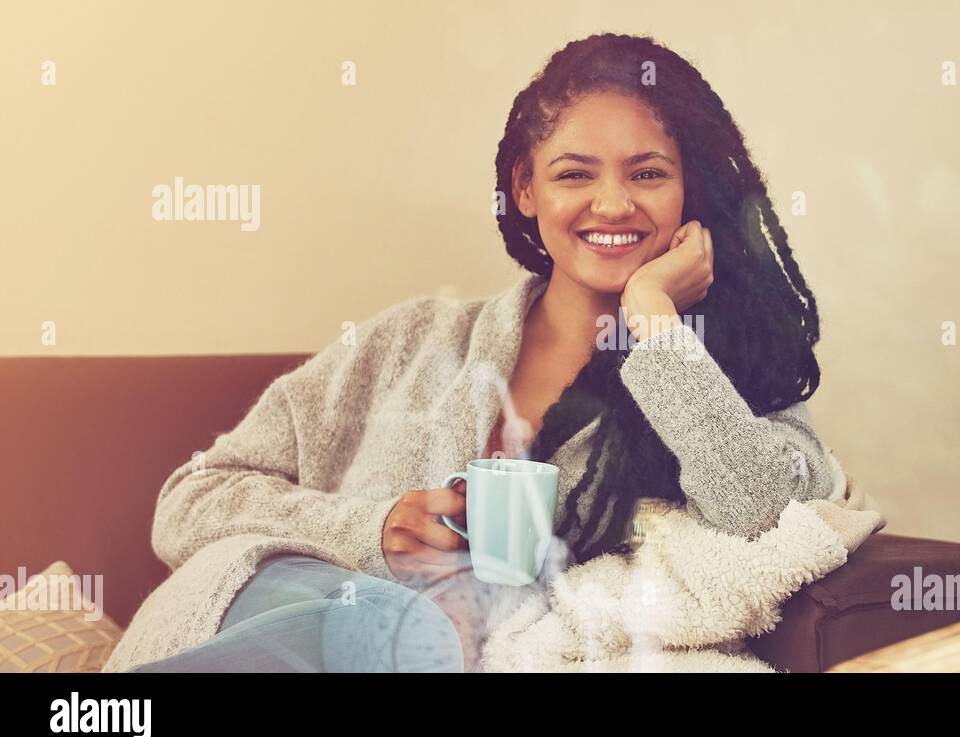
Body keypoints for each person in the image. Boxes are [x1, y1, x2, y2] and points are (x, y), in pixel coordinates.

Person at [110, 32, 836, 673]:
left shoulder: (726, 371)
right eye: (574, 174)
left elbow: (766, 518)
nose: (612, 205)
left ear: (691, 192)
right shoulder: (407, 341)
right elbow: (190, 501)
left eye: (647, 173)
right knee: (396, 626)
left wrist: (653, 319)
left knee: (419, 641)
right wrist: (371, 528)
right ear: (524, 187)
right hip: (278, 612)